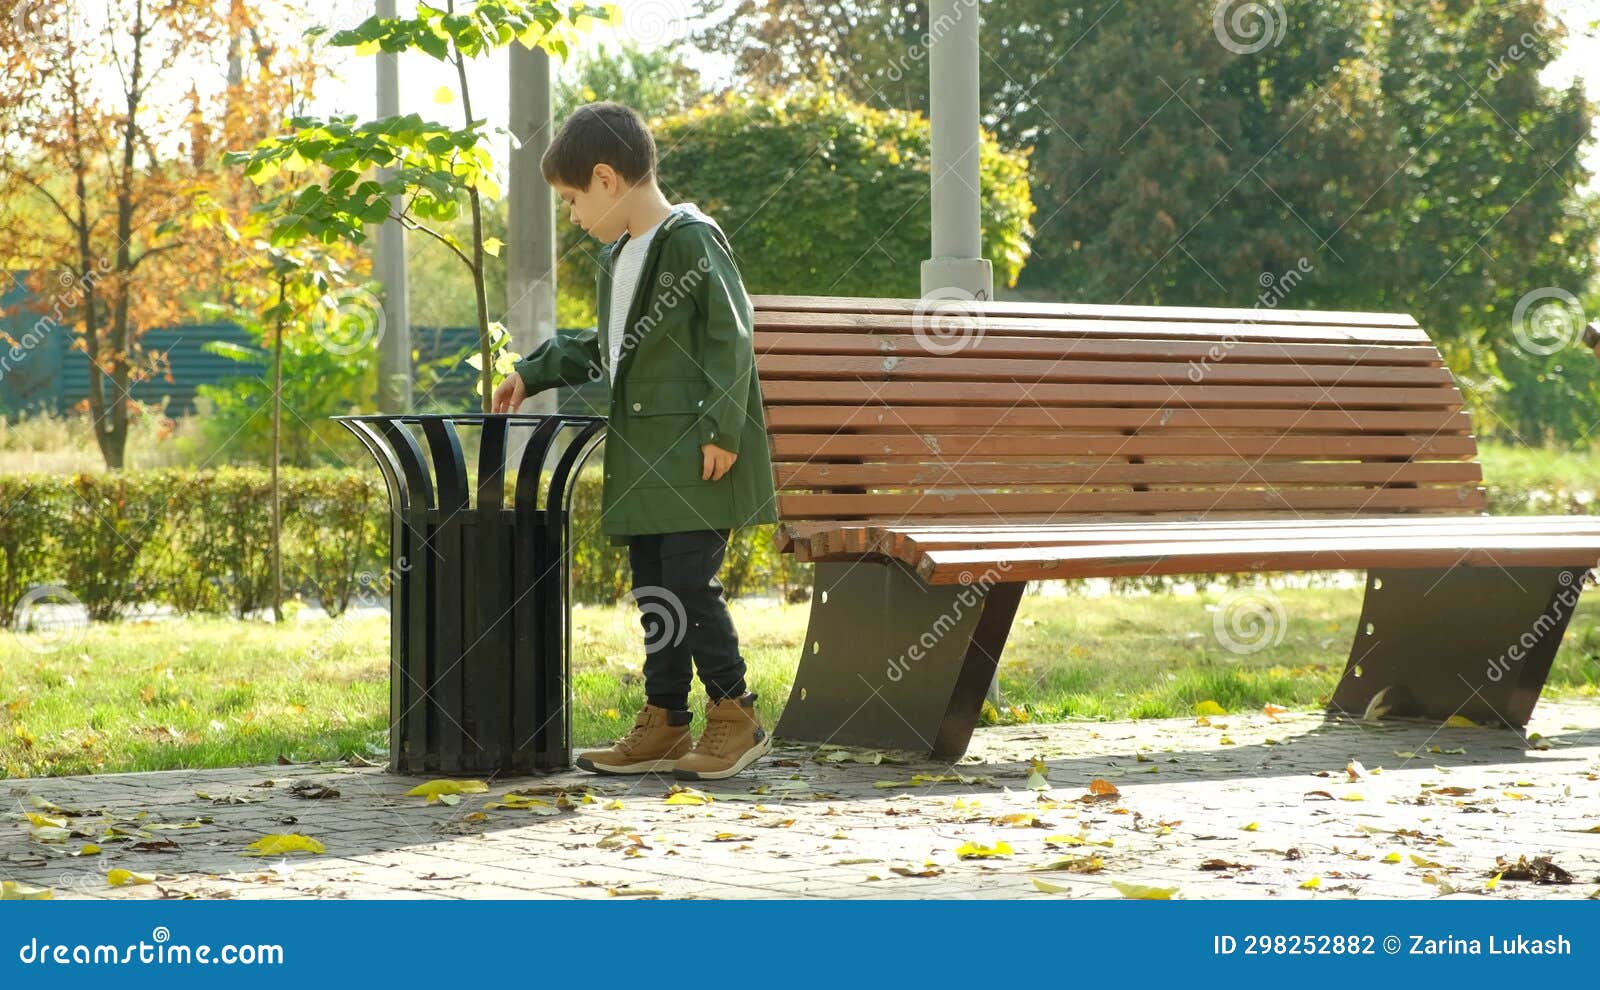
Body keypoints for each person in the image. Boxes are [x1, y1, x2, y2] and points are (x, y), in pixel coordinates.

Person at [491, 101, 779, 781]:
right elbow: (610, 346)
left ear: (605, 179)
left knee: (689, 585)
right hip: (646, 458)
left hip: (694, 453)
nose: (571, 216)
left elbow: (730, 335)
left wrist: (721, 429)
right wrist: (534, 371)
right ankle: (665, 720)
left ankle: (735, 713)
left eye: (571, 200)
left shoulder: (689, 239)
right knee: (655, 590)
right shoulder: (621, 256)